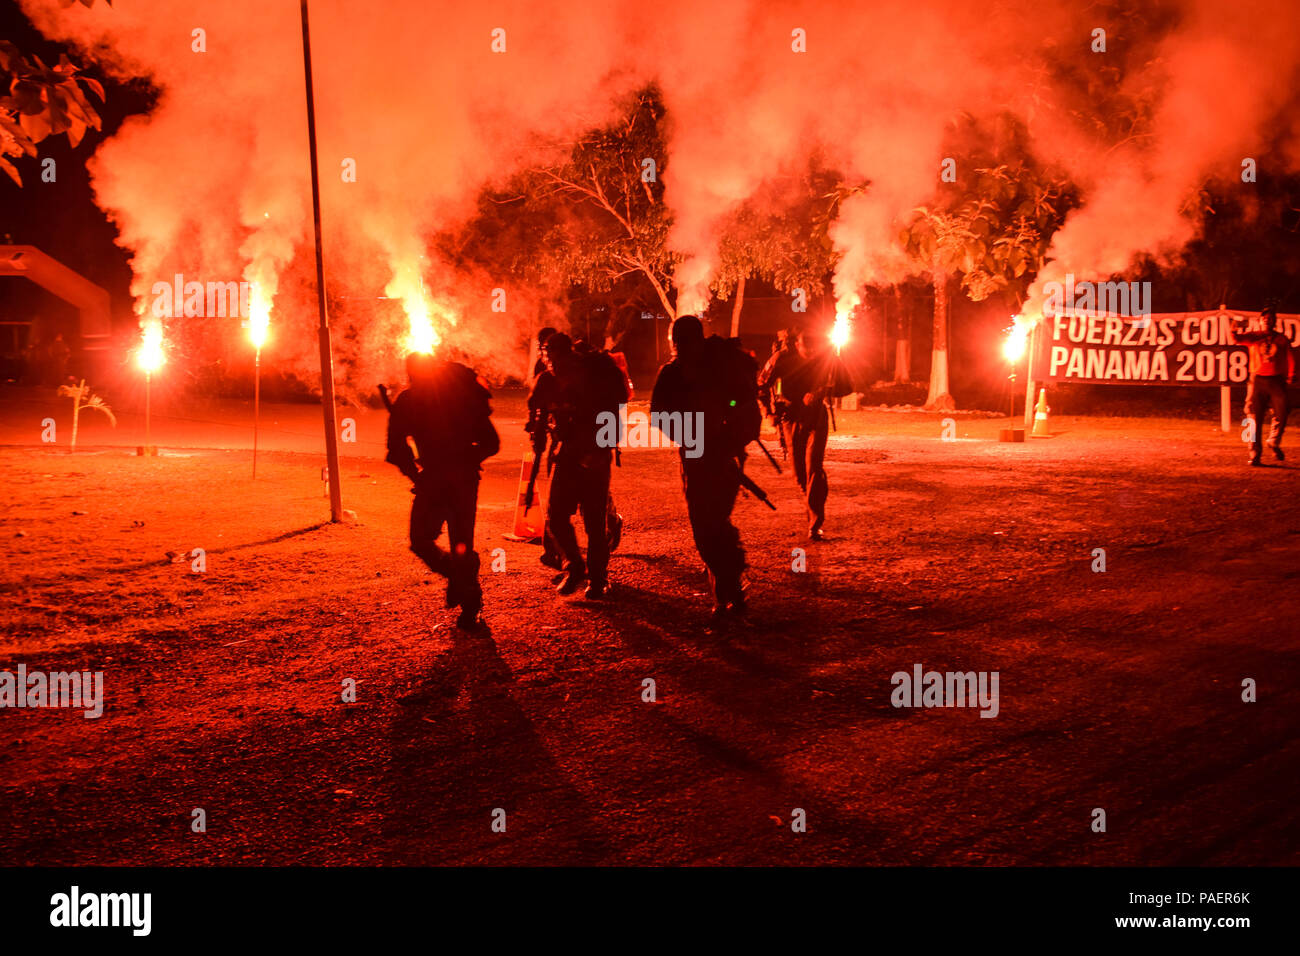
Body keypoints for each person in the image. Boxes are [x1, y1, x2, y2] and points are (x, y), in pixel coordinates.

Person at [650, 315, 761, 621]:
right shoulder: (673, 374)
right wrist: (690, 433)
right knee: (704, 525)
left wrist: (728, 434)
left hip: (726, 457)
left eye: (685, 341)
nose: (681, 347)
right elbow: (659, 414)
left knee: (714, 522)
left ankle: (727, 590)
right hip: (695, 456)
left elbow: (745, 407)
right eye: (678, 343)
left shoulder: (721, 369)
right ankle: (730, 580)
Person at [386, 350, 499, 629]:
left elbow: (490, 442)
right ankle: (460, 579)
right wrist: (419, 475)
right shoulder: (410, 402)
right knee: (422, 541)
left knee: (457, 545)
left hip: (456, 481)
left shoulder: (453, 400)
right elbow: (398, 448)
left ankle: (471, 606)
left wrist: (461, 462)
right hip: (440, 480)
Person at [534, 332, 628, 598]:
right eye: (548, 355)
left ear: (566, 354)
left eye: (554, 355)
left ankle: (598, 580)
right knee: (556, 517)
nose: (551, 361)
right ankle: (574, 566)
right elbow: (540, 415)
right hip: (568, 453)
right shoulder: (548, 380)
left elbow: (612, 412)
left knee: (595, 522)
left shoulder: (592, 376)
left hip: (594, 453)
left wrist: (598, 451)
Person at [759, 327, 852, 539]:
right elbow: (761, 386)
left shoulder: (827, 356)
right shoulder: (781, 358)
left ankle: (815, 522)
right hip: (791, 419)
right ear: (797, 344)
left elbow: (847, 385)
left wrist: (822, 391)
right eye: (806, 347)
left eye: (814, 347)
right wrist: (770, 413)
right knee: (801, 474)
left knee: (814, 469)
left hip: (816, 417)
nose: (810, 352)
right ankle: (814, 501)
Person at [1231, 306, 1295, 465]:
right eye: (1264, 318)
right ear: (1260, 321)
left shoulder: (1281, 339)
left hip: (1276, 381)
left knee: (1283, 411)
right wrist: (1233, 331)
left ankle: (1273, 440)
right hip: (1257, 381)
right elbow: (1237, 340)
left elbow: (1290, 357)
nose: (1267, 320)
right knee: (1252, 417)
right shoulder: (1254, 337)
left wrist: (1291, 375)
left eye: (1270, 318)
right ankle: (1253, 453)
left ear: (1274, 322)